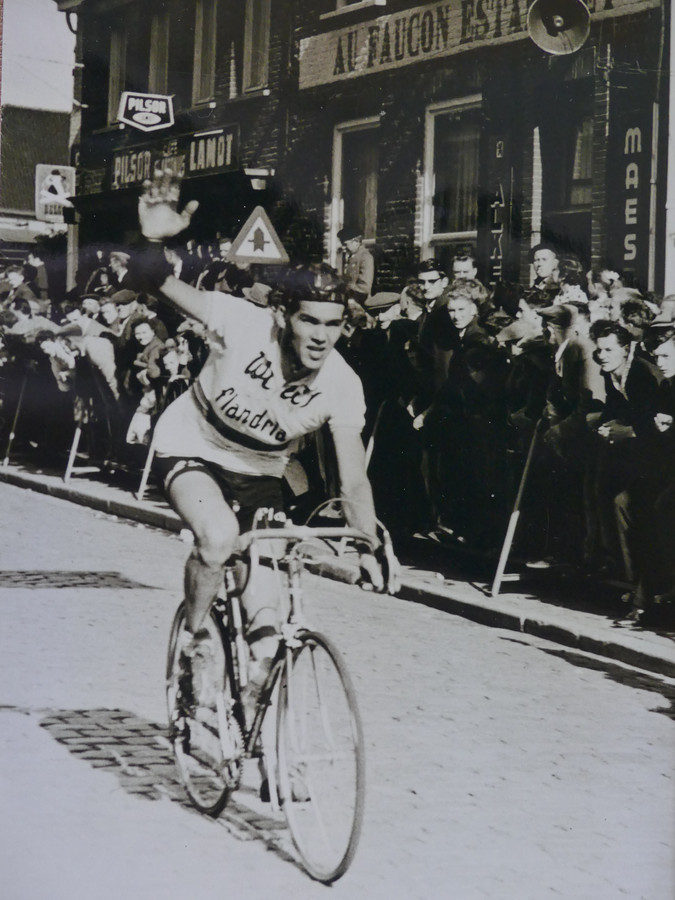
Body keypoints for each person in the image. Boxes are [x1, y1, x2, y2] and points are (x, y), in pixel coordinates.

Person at [136, 170, 389, 721]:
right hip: (196, 444)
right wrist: (155, 243)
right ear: (283, 316)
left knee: (267, 617)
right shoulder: (240, 320)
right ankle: (194, 643)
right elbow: (160, 284)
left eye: (335, 324)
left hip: (262, 468)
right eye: (310, 321)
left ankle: (268, 736)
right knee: (218, 537)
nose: (322, 336)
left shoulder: (342, 383)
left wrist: (368, 543)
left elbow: (352, 478)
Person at [337, 225, 374, 305]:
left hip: (361, 303)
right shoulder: (352, 256)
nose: (343, 247)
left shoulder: (365, 257)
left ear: (356, 242)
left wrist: (347, 286)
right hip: (350, 301)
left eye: (345, 244)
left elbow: (365, 287)